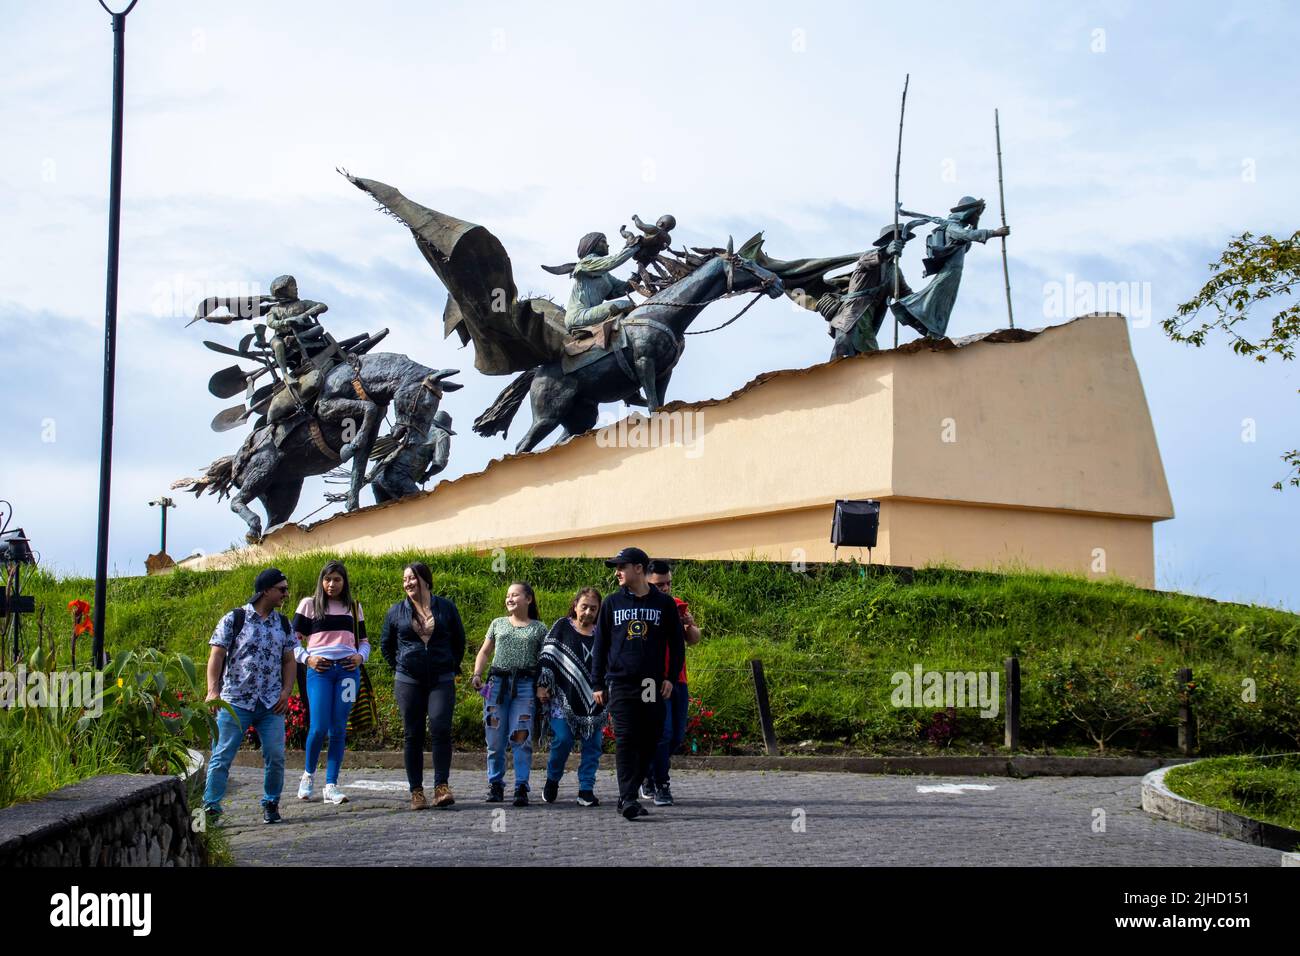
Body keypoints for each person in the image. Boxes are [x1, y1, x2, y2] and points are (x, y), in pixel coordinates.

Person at [590, 547, 686, 821]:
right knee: (626, 739)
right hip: (620, 681)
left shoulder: (664, 604)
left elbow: (677, 645)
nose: (617, 572)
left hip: (650, 683)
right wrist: (598, 683)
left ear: (639, 569)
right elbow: (600, 646)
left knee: (651, 737)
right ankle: (629, 797)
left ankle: (629, 793)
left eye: (622, 566)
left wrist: (669, 677)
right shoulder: (611, 603)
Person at [203, 567, 299, 824]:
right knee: (222, 754)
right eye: (281, 589)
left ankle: (271, 803)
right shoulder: (234, 619)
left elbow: (290, 661)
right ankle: (211, 808)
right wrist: (213, 691)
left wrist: (286, 692)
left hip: (270, 703)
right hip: (235, 701)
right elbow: (217, 655)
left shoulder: (284, 624)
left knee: (276, 756)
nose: (286, 594)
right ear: (265, 590)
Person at [381, 561, 467, 811]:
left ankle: (442, 787)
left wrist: (449, 664)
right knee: (412, 734)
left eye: (412, 578)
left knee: (440, 727)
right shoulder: (395, 612)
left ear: (425, 579)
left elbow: (458, 641)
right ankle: (416, 792)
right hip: (408, 679)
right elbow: (386, 645)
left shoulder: (446, 608)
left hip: (441, 677)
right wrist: (401, 666)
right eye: (405, 579)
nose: (408, 583)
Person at [292, 560, 368, 805]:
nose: (331, 584)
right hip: (320, 671)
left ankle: (331, 785)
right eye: (327, 579)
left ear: (344, 582)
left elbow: (364, 641)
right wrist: (307, 659)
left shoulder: (353, 607)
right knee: (319, 726)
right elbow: (291, 641)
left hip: (347, 673)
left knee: (338, 729)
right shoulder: (309, 605)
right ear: (321, 581)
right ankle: (308, 776)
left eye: (337, 579)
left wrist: (360, 657)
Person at [890, 197, 1009, 340]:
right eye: (976, 213)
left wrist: (976, 225)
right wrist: (994, 233)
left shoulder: (957, 227)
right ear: (968, 212)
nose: (977, 216)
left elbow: (966, 246)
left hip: (955, 272)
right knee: (936, 299)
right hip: (950, 271)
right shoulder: (953, 227)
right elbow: (968, 235)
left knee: (945, 303)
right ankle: (929, 329)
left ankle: (935, 332)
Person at [472, 582, 548, 806]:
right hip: (496, 685)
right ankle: (495, 784)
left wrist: (543, 685)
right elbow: (485, 652)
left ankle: (521, 786)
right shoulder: (497, 624)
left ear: (529, 599)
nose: (510, 599)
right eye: (507, 596)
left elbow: (545, 661)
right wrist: (477, 674)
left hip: (525, 686)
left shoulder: (540, 628)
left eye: (515, 595)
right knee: (494, 739)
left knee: (520, 736)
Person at [537, 587, 607, 807]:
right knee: (563, 740)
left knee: (593, 744)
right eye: (584, 606)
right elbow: (548, 656)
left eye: (593, 609)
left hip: (596, 699)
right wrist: (542, 685)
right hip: (562, 699)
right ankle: (552, 779)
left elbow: (611, 662)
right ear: (575, 605)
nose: (587, 612)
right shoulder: (562, 627)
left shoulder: (603, 633)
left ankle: (586, 789)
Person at [640, 560, 701, 806]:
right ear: (646, 581)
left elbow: (694, 639)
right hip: (651, 681)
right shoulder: (642, 607)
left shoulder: (677, 605)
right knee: (661, 733)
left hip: (678, 679)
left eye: (668, 583)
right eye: (659, 584)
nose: (665, 588)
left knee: (676, 735)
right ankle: (659, 783)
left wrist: (689, 624)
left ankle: (649, 771)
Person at [561, 232, 639, 332]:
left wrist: (641, 275)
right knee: (625, 305)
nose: (607, 245)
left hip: (591, 313)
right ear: (592, 244)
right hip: (578, 315)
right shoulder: (586, 262)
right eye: (603, 241)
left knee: (627, 305)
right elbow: (612, 261)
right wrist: (636, 245)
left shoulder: (605, 275)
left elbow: (624, 288)